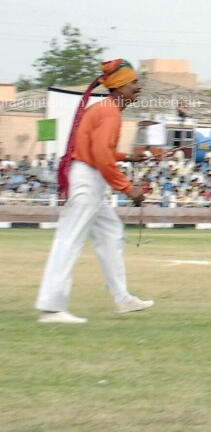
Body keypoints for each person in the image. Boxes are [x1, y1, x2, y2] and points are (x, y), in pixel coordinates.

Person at [35, 59, 153, 324]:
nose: (139, 87)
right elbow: (100, 155)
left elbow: (103, 151)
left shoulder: (107, 110)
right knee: (70, 239)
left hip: (90, 178)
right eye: (134, 83)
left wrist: (129, 158)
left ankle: (122, 298)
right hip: (87, 179)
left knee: (111, 232)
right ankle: (52, 308)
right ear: (121, 87)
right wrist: (127, 188)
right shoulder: (110, 113)